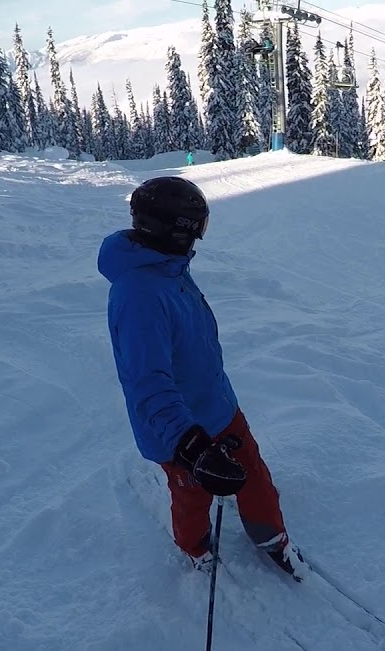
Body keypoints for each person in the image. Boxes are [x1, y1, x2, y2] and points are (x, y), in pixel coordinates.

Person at [98, 175, 305, 579]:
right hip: (179, 431)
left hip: (218, 404)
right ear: (176, 231)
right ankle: (196, 548)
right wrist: (189, 445)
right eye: (197, 228)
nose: (200, 238)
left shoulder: (167, 268)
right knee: (192, 495)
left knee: (254, 477)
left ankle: (271, 539)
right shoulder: (140, 294)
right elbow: (148, 383)